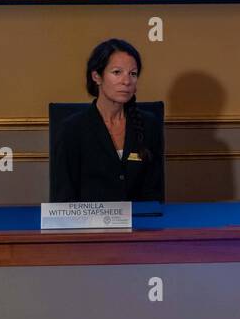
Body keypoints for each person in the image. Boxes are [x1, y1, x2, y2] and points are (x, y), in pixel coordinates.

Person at [50, 38, 163, 202]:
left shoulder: (149, 124)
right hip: (87, 225)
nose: (126, 81)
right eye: (117, 72)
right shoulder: (72, 129)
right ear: (97, 76)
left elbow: (154, 192)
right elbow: (64, 196)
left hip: (140, 223)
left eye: (133, 74)